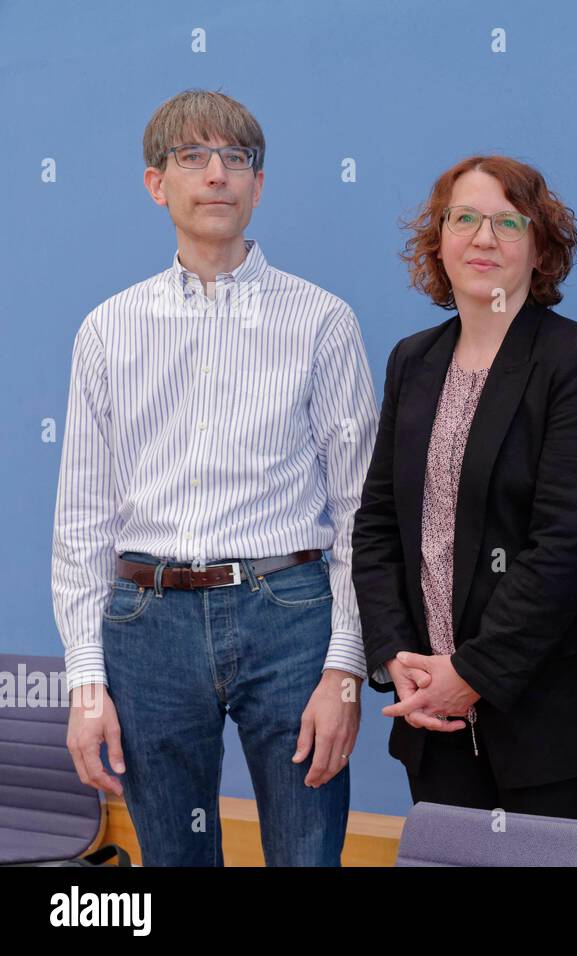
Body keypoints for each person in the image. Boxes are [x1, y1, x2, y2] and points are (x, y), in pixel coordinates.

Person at [52, 89, 378, 866]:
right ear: (156, 183)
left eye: (237, 159)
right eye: (193, 157)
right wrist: (85, 683)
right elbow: (82, 524)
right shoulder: (106, 330)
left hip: (291, 616)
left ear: (258, 186)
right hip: (145, 626)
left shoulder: (322, 321)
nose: (218, 175)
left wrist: (346, 668)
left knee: (307, 858)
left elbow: (363, 510)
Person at [352, 156, 577, 821]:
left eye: (507, 222)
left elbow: (566, 547)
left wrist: (474, 676)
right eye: (464, 219)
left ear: (540, 246)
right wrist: (395, 658)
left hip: (556, 734)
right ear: (439, 238)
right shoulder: (413, 360)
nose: (482, 239)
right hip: (436, 727)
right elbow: (377, 527)